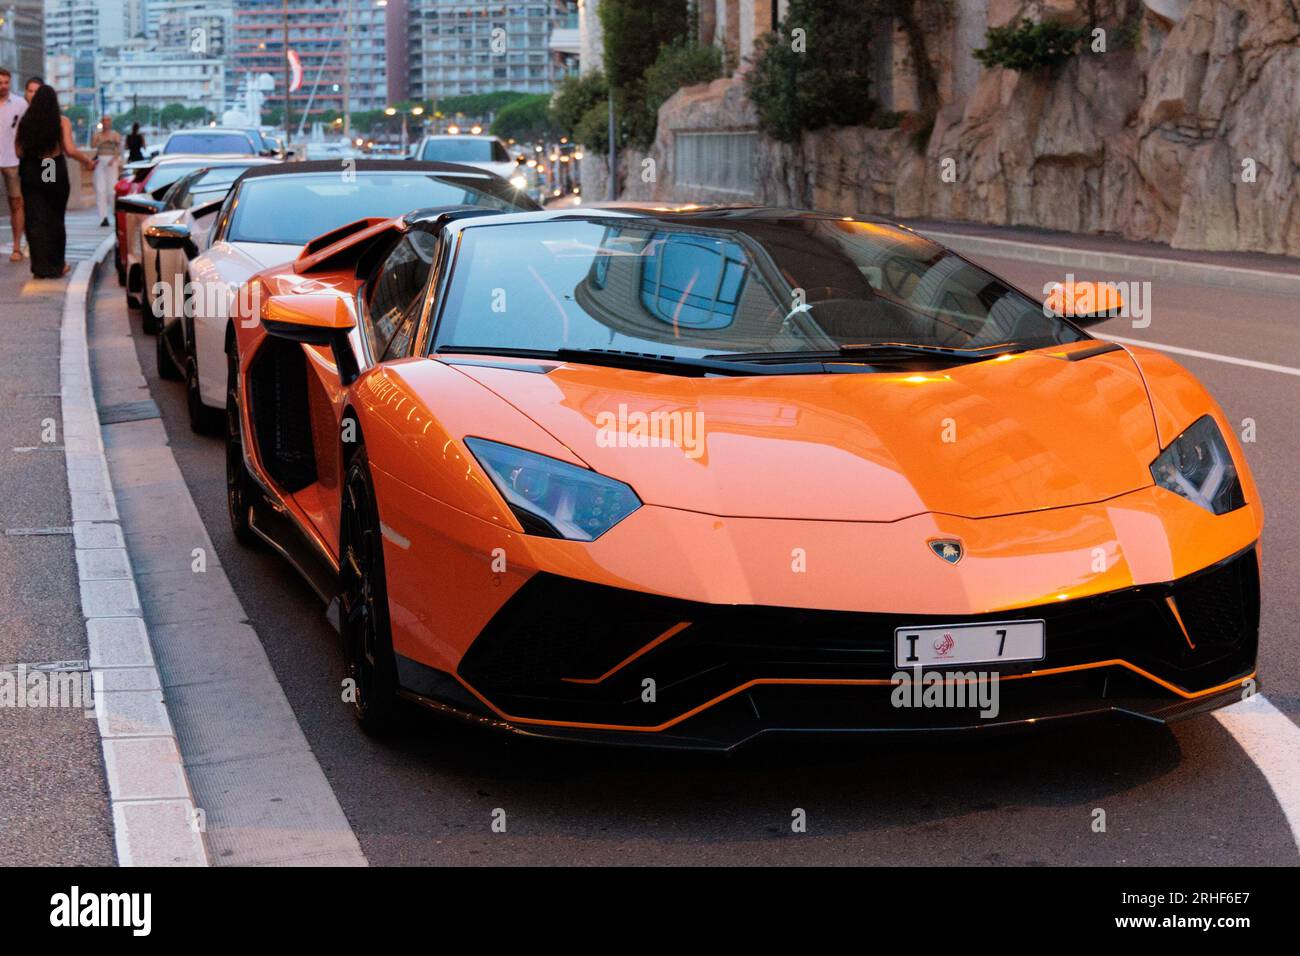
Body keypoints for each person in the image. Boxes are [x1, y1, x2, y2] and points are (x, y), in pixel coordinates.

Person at [15, 84, 93, 278]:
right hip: (50, 166)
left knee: (35, 220)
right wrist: (87, 160)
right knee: (54, 218)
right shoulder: (61, 121)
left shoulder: (25, 121)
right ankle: (57, 265)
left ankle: (40, 267)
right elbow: (70, 149)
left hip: (31, 168)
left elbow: (18, 151)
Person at [0, 67, 28, 263]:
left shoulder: (20, 104)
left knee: (16, 203)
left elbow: (30, 134)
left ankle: (17, 247)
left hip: (14, 161)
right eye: (0, 83)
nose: (3, 86)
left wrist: (47, 176)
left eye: (6, 83)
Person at [90, 115, 123, 226]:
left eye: (108, 120)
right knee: (100, 190)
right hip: (100, 160)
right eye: (104, 120)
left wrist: (113, 160)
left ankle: (115, 214)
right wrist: (98, 138)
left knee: (112, 191)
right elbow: (93, 145)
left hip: (111, 162)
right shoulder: (97, 135)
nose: (106, 122)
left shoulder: (115, 135)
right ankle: (103, 217)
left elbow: (119, 149)